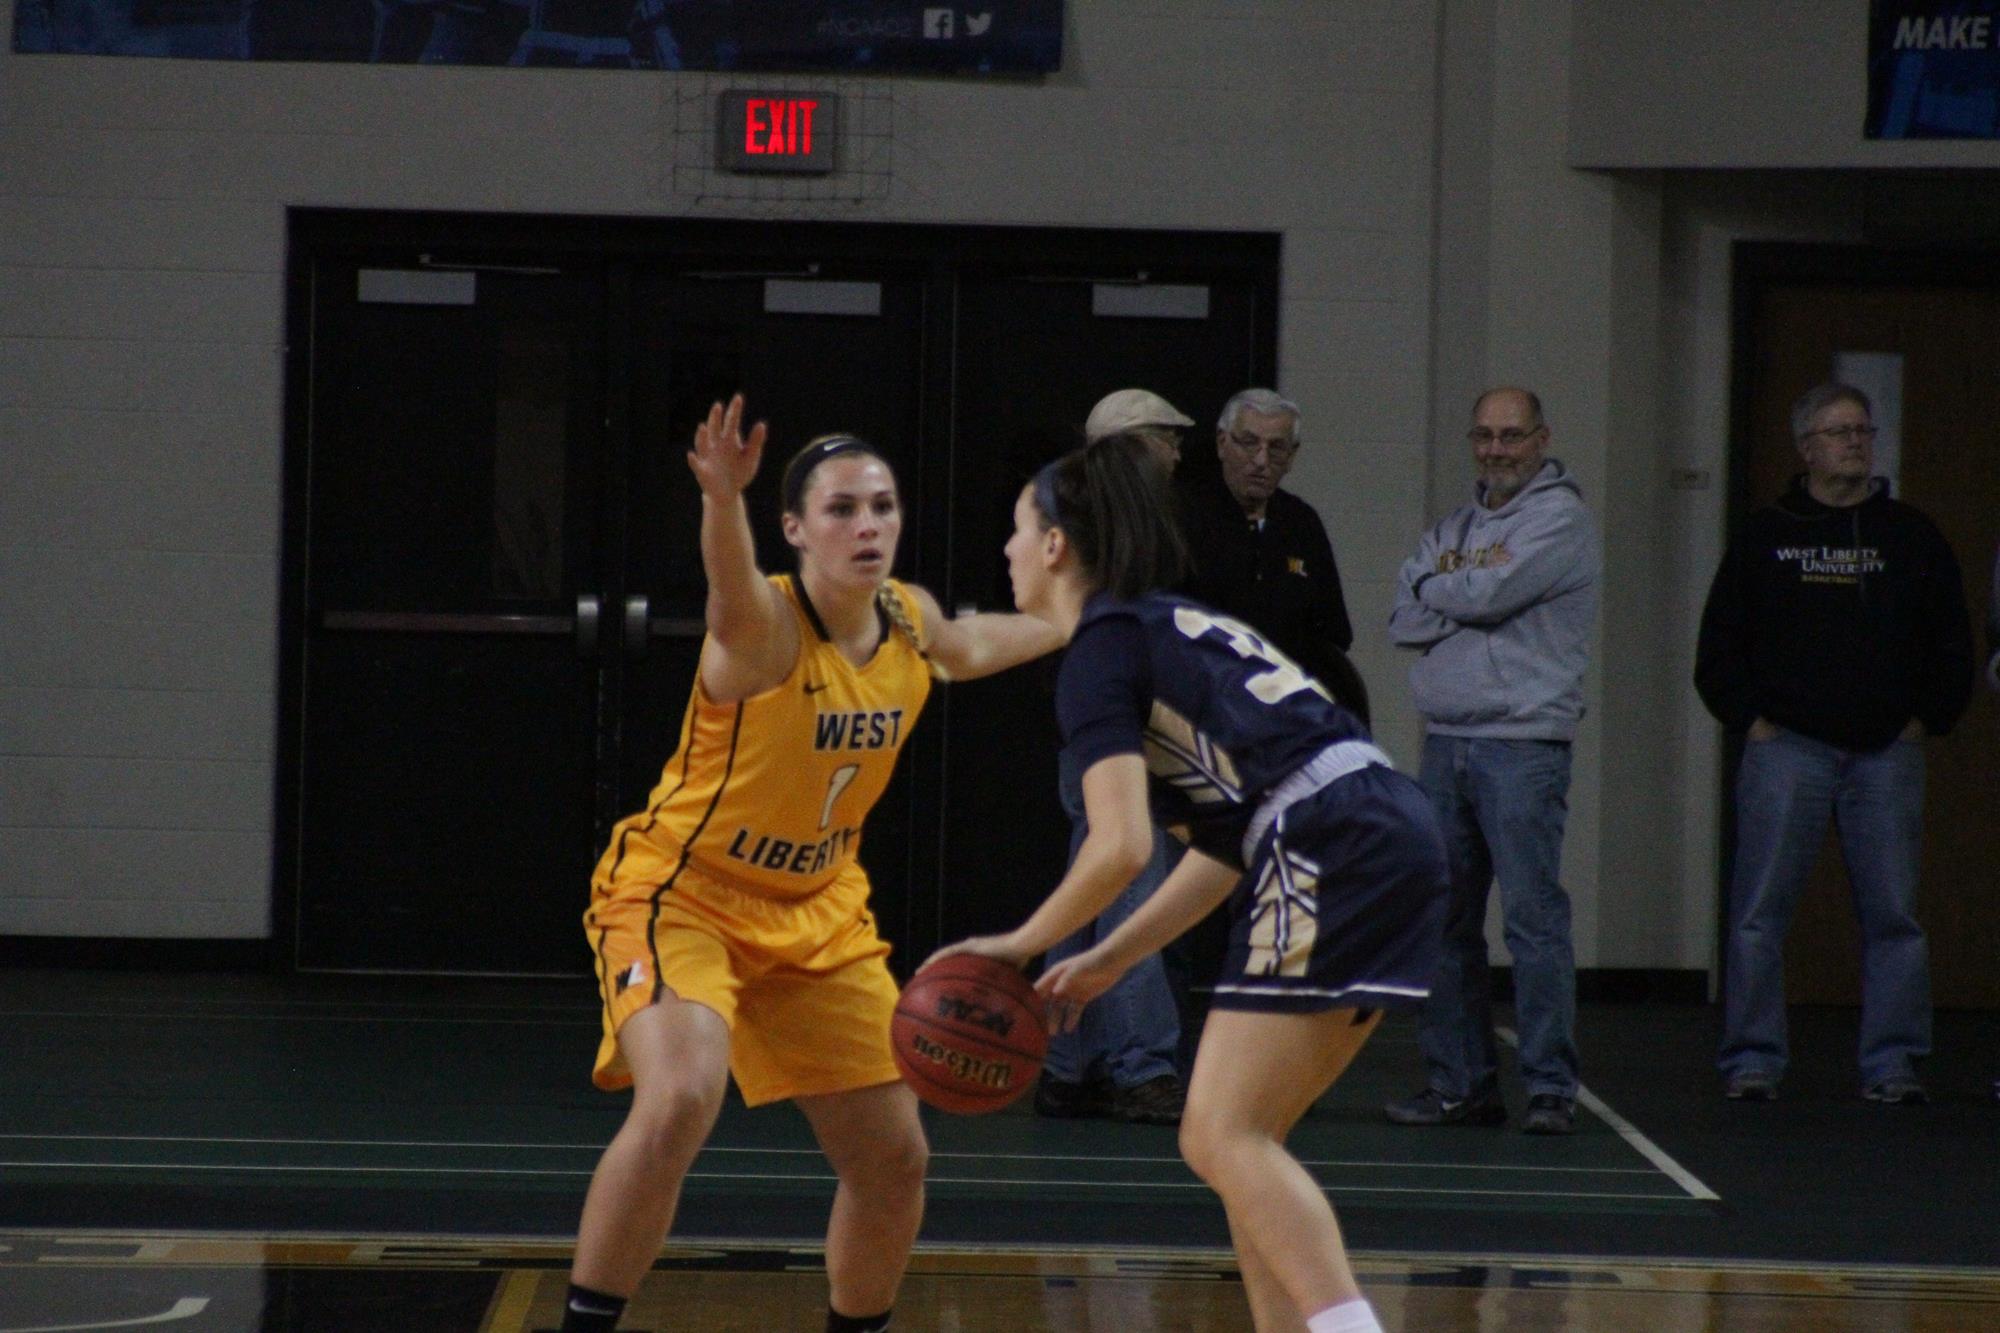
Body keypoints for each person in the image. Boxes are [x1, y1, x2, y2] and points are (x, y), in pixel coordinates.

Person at [562, 396, 1061, 1333]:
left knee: (895, 1158)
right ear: (793, 527)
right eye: (840, 509)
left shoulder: (911, 619)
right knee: (680, 1099)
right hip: (684, 895)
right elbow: (728, 593)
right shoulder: (765, 628)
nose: (867, 524)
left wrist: (1082, 614)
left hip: (819, 911)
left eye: (882, 505)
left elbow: (978, 642)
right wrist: (721, 500)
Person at [937, 432, 1447, 1333]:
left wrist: (1018, 945)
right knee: (1245, 1140)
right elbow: (1218, 848)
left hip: (1329, 835)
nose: (1008, 549)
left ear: (1056, 544)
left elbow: (1120, 845)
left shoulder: (1100, 649)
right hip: (1373, 821)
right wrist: (1108, 959)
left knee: (1216, 1133)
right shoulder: (1161, 624)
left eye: (1018, 529)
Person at [1695, 382, 1973, 1107]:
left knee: (1894, 916)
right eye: (1838, 431)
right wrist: (1750, 720)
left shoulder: (1911, 536)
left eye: (1862, 430)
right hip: (1787, 747)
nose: (1854, 441)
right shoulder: (1765, 534)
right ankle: (1752, 1058)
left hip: (1886, 751)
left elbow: (1952, 641)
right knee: (1759, 913)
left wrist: (1926, 719)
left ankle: (1892, 1062)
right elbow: (1719, 644)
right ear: (1806, 447)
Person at [1382, 387, 1600, 1136]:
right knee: (1444, 922)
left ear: (1542, 438)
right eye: (1484, 435)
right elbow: (1402, 615)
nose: (1496, 449)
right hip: (1445, 742)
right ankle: (1460, 1086)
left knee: (1535, 922)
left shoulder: (1561, 520)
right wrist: (1461, 593)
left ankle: (1549, 1088)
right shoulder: (1454, 526)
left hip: (1523, 744)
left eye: (1511, 435)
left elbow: (1488, 590)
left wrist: (1448, 589)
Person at [1032, 387, 1196, 1124]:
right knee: (1137, 883)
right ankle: (1137, 1064)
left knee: (1089, 879)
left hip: (1097, 721)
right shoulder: (1118, 524)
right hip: (1126, 724)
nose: (1177, 450)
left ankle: (1062, 1061)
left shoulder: (1066, 512)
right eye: (1167, 437)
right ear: (1134, 443)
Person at [1183, 388, 1355, 686]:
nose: (1262, 460)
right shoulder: (1184, 517)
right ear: (1222, 443)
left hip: (1282, 706)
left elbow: (1334, 632)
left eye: (1276, 448)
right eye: (1249, 443)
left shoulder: (1301, 523)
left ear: (1291, 456)